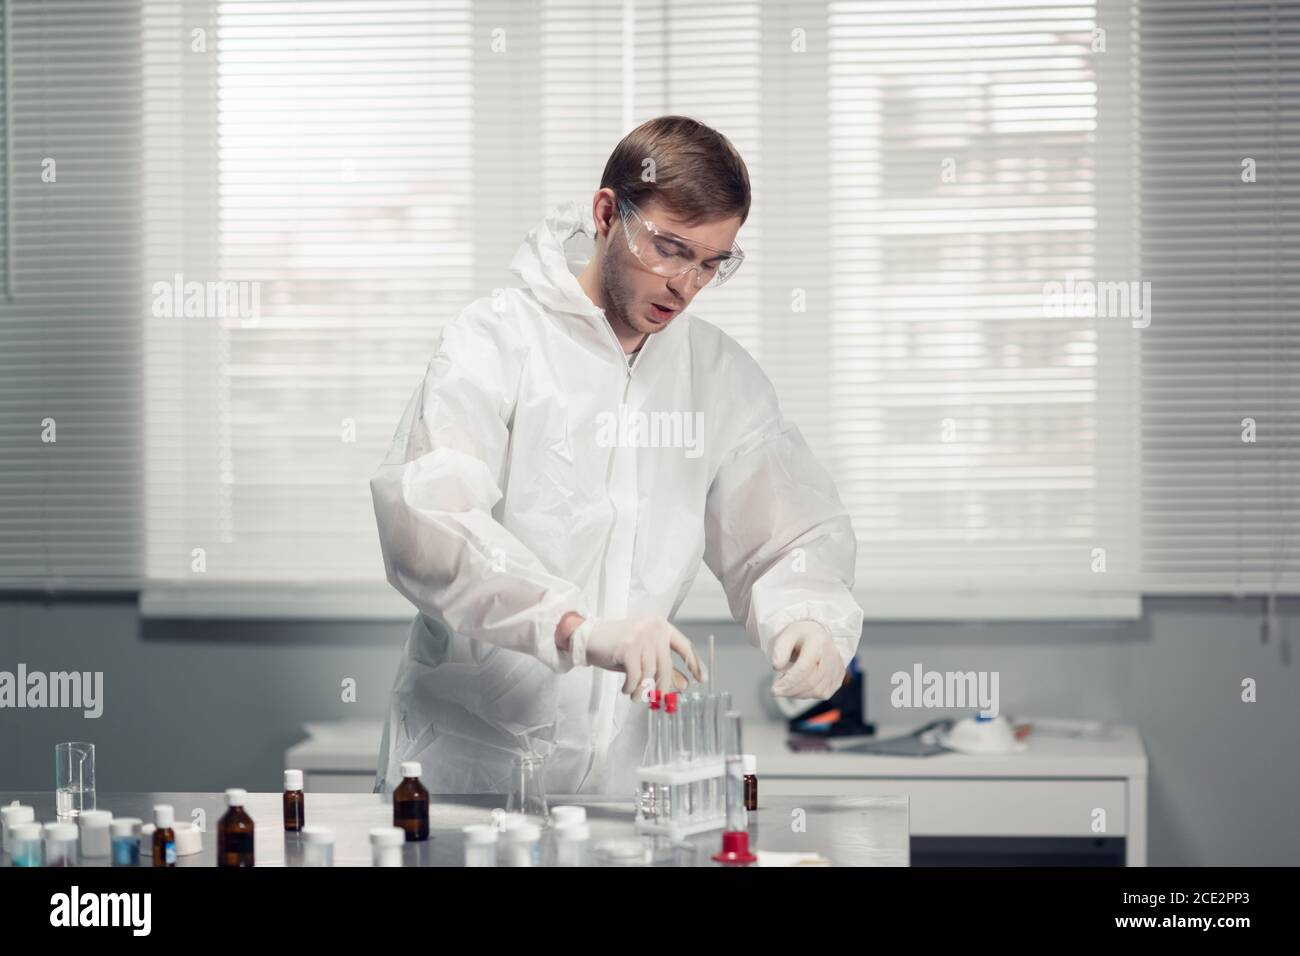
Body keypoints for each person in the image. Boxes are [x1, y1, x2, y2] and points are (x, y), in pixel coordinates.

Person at [371, 115, 863, 796]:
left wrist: (807, 614)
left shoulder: (718, 377)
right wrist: (576, 629)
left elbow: (787, 540)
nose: (685, 284)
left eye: (711, 263)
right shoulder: (497, 342)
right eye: (668, 248)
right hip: (469, 766)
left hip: (621, 780)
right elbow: (430, 524)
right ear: (607, 213)